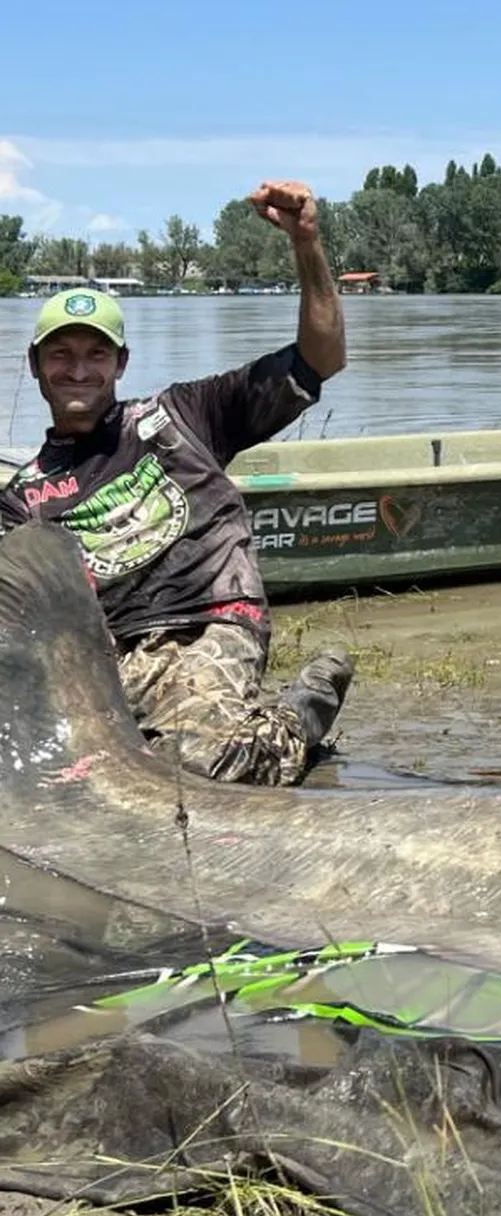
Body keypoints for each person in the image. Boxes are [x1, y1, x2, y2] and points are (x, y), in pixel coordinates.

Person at [0, 179, 352, 786]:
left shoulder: (182, 415)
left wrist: (307, 244)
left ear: (121, 363)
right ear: (36, 365)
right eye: (61, 355)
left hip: (208, 621)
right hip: (107, 660)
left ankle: (303, 711)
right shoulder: (19, 502)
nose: (78, 369)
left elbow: (321, 358)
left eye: (95, 353)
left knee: (205, 770)